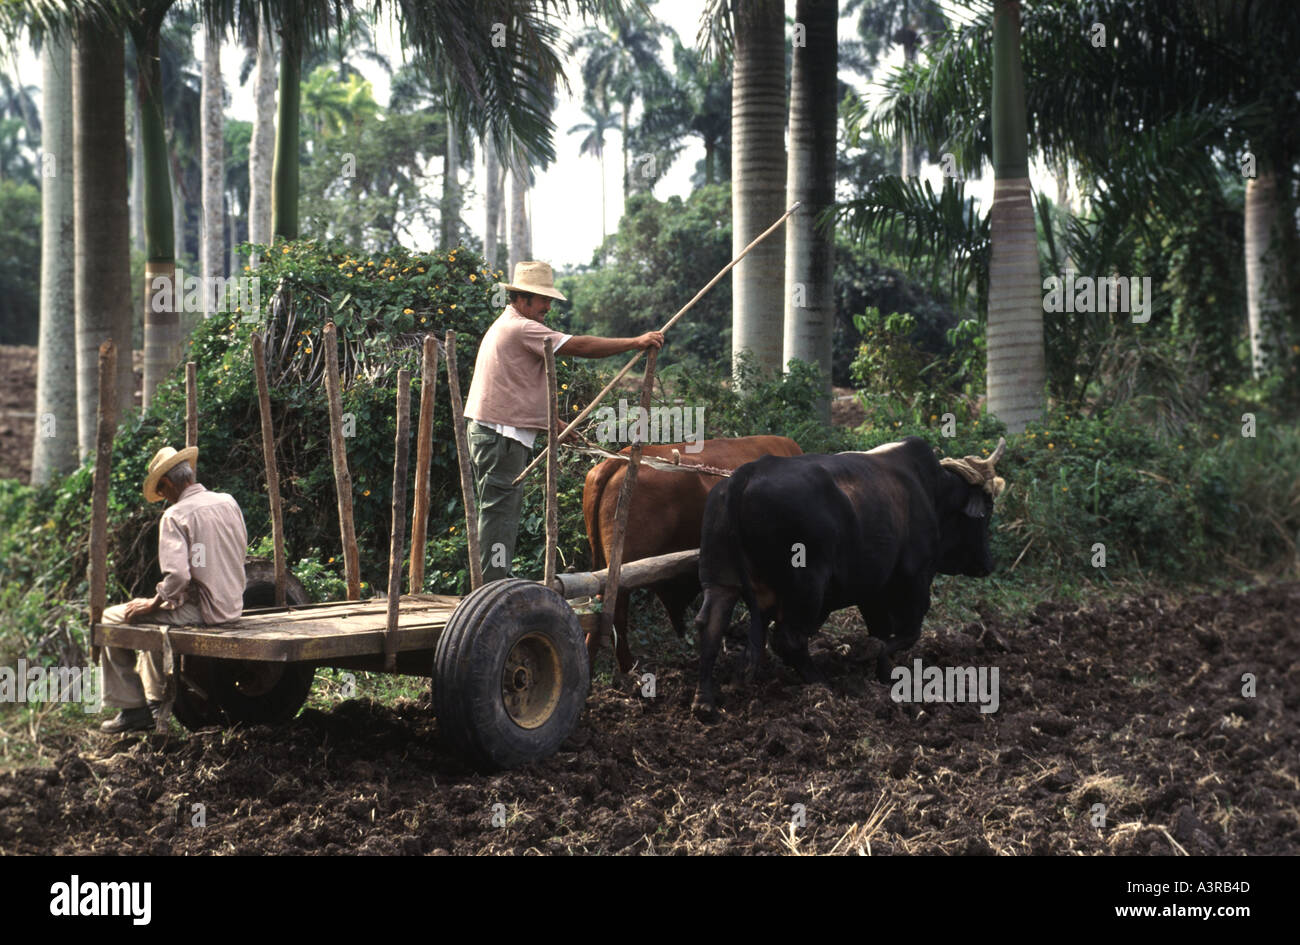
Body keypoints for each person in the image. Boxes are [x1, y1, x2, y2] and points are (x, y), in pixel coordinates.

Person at [463, 260, 663, 582]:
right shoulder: (521, 327)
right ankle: (492, 587)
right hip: (500, 438)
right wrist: (634, 343)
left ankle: (494, 580)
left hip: (495, 434)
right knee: (500, 514)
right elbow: (579, 345)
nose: (547, 307)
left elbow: (513, 388)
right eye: (542, 300)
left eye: (549, 300)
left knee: (499, 512)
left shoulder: (507, 325)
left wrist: (553, 423)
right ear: (523, 298)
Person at [97, 446, 249, 733]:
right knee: (150, 616)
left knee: (112, 618)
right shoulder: (228, 501)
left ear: (166, 483)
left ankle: (133, 709)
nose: (163, 498)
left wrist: (154, 604)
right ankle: (154, 700)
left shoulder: (175, 515)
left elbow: (178, 576)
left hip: (203, 611)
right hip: (232, 604)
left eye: (161, 490)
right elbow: (238, 551)